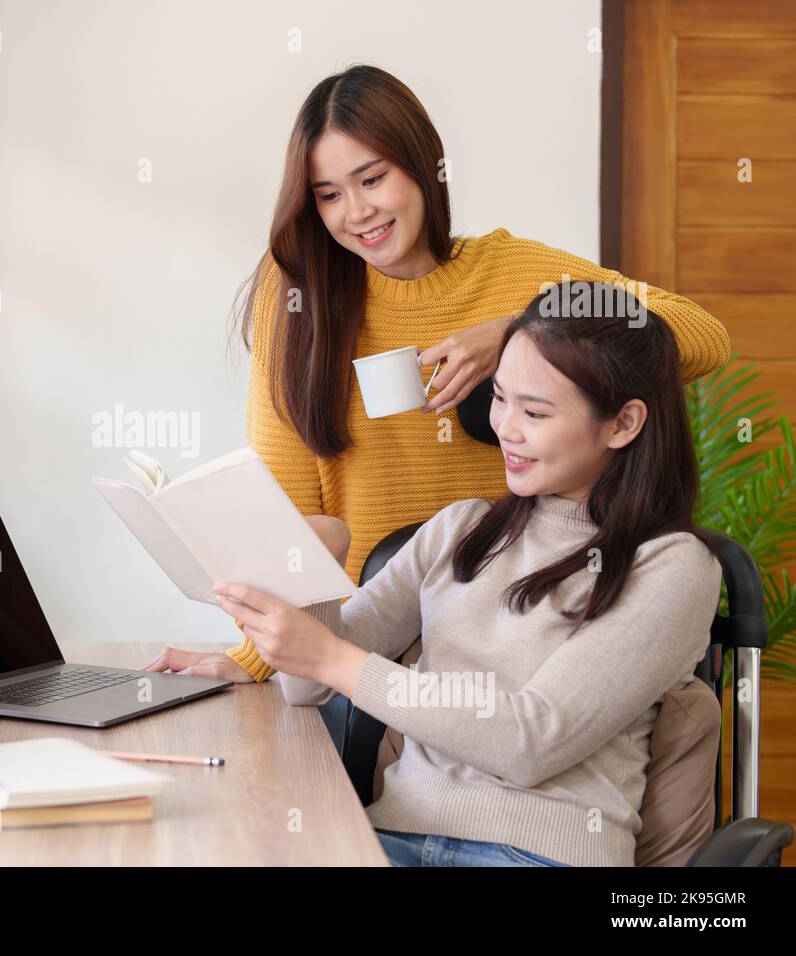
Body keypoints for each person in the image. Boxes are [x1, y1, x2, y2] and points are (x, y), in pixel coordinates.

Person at [142, 64, 729, 684]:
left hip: (501, 637)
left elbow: (696, 334)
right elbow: (288, 509)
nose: (357, 211)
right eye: (329, 193)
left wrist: (518, 331)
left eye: (373, 178)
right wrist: (260, 659)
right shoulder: (297, 296)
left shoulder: (512, 272)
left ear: (423, 166)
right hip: (352, 646)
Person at [207, 288, 722, 867]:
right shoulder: (460, 530)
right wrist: (314, 574)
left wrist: (330, 658)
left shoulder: (672, 566)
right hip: (391, 839)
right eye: (499, 398)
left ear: (623, 423)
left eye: (535, 412)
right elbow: (308, 686)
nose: (505, 426)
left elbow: (532, 742)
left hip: (539, 853)